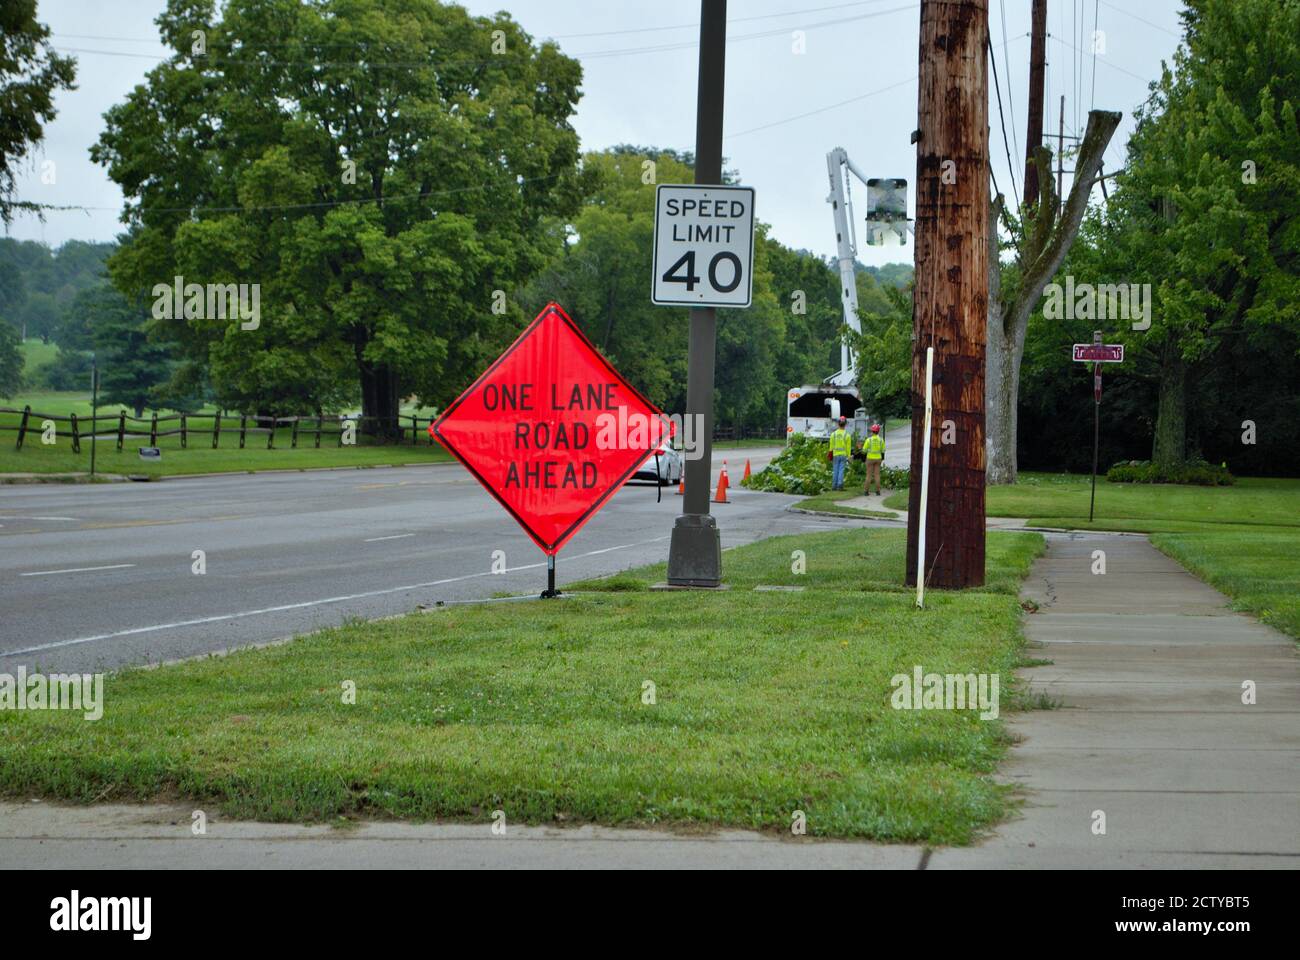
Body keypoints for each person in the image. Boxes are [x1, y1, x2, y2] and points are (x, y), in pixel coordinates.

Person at [828, 415, 851, 491]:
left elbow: (831, 447)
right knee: (841, 470)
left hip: (835, 455)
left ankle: (834, 486)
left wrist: (830, 455)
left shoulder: (833, 434)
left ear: (838, 424)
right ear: (845, 424)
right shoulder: (847, 435)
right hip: (843, 455)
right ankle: (839, 485)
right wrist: (849, 456)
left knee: (835, 470)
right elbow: (848, 448)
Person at [862, 423, 886, 495]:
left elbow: (864, 450)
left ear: (872, 431)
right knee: (877, 475)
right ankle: (878, 491)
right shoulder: (881, 440)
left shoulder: (869, 440)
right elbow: (883, 450)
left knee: (869, 475)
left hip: (870, 458)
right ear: (878, 431)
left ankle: (866, 491)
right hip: (878, 458)